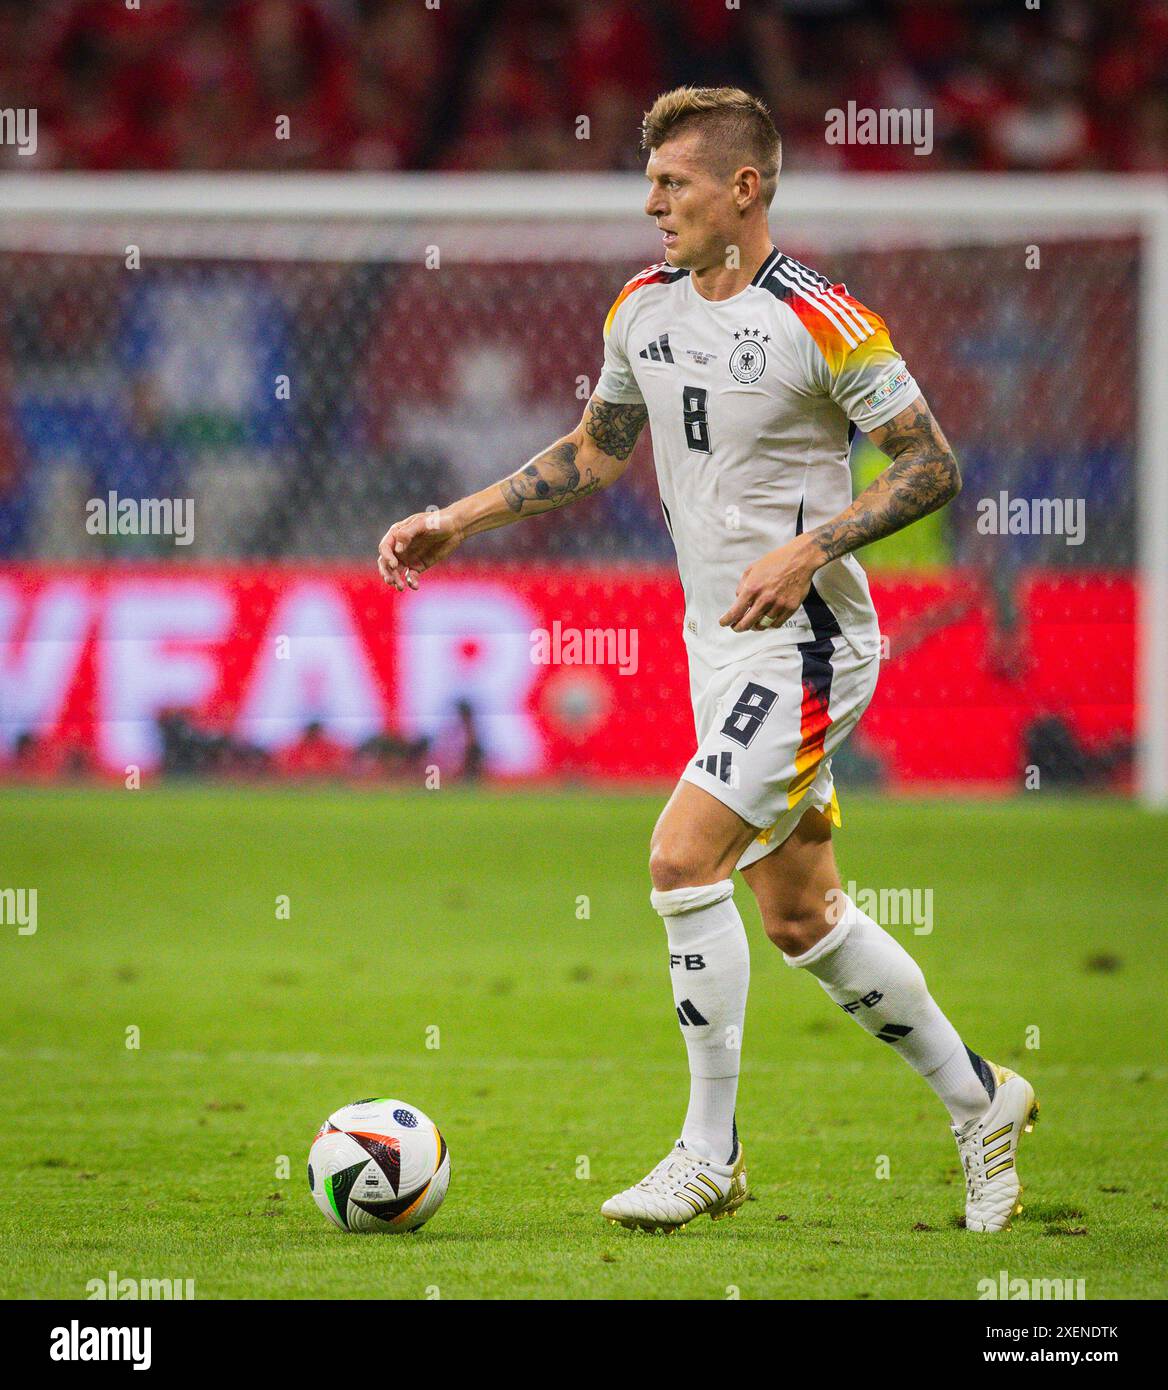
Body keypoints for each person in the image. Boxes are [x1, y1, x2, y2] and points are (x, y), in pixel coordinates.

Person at [377, 86, 1037, 1235]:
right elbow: (594, 451)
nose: (651, 203)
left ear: (744, 188)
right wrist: (457, 519)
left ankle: (708, 1152)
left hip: (813, 642)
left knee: (681, 857)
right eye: (650, 182)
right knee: (800, 915)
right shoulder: (640, 308)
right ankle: (982, 1098)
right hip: (717, 649)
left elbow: (930, 467)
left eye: (673, 182)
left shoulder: (826, 320)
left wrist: (812, 544)